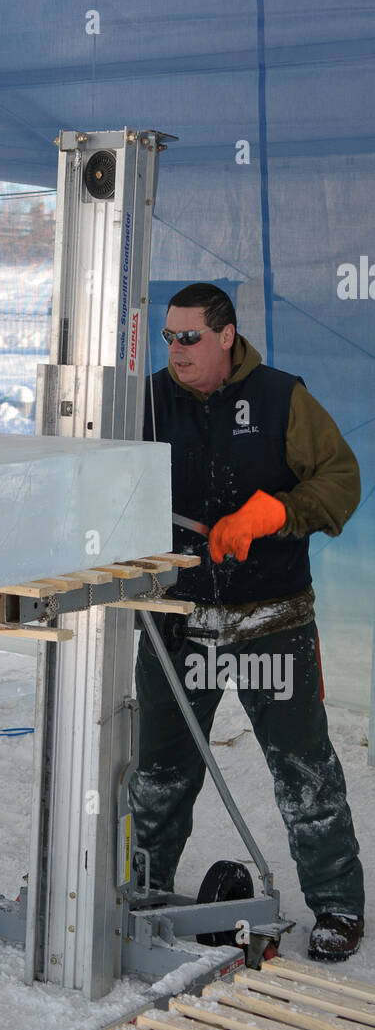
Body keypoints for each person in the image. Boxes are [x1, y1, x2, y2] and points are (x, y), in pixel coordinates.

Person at [131, 281, 365, 962]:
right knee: (160, 770)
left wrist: (274, 514)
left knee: (303, 768)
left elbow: (339, 479)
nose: (175, 351)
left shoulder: (280, 398)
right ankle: (138, 889)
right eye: (167, 337)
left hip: (272, 619)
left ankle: (338, 905)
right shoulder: (143, 401)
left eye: (189, 338)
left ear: (226, 336)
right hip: (175, 618)